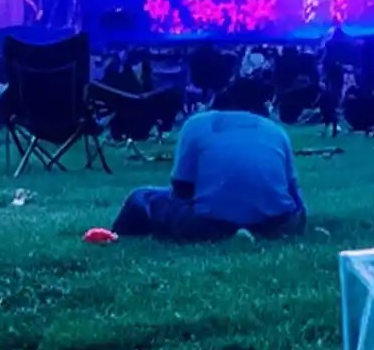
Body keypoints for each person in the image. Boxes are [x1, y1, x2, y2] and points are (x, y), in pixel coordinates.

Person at [111, 78, 306, 242]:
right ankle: (251, 231)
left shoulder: (198, 124)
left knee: (142, 197)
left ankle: (118, 236)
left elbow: (181, 189)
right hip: (278, 224)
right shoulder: (276, 131)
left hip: (208, 224)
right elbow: (294, 193)